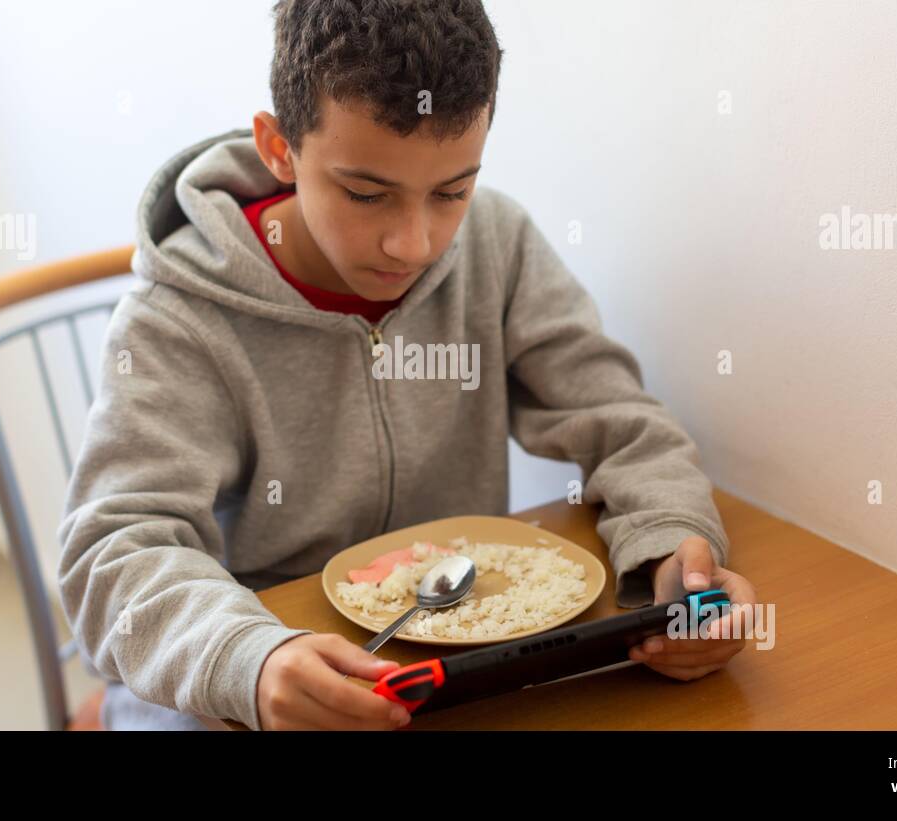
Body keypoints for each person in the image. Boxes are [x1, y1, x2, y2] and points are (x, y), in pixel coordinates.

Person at [58, 0, 756, 732]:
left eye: (452, 191)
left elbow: (623, 426)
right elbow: (113, 551)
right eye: (366, 193)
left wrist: (675, 551)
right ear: (278, 148)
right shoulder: (175, 319)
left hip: (459, 670)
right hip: (243, 674)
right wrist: (249, 658)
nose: (415, 245)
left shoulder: (498, 243)